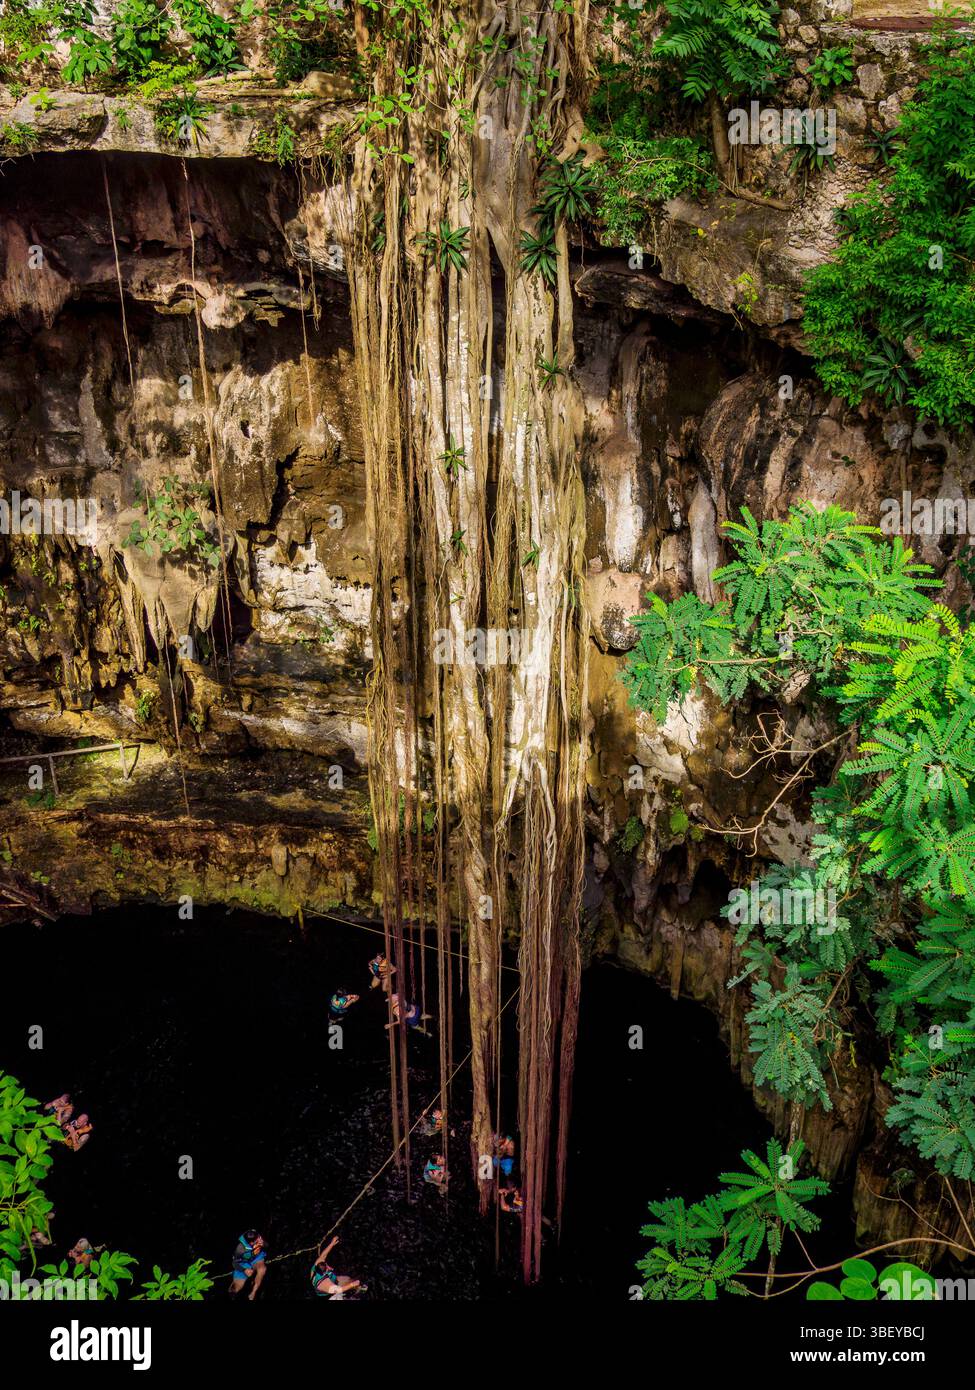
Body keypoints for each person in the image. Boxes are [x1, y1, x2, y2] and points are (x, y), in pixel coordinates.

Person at [229, 1230, 266, 1299]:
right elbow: (234, 1263)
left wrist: (263, 1244)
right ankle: (234, 1286)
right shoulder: (240, 1249)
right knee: (236, 1288)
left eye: (259, 1237)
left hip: (257, 1257)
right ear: (251, 1243)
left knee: (262, 1270)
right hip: (243, 1261)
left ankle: (253, 1292)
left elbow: (267, 1245)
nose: (259, 1239)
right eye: (257, 1240)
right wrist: (244, 1270)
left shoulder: (257, 1236)